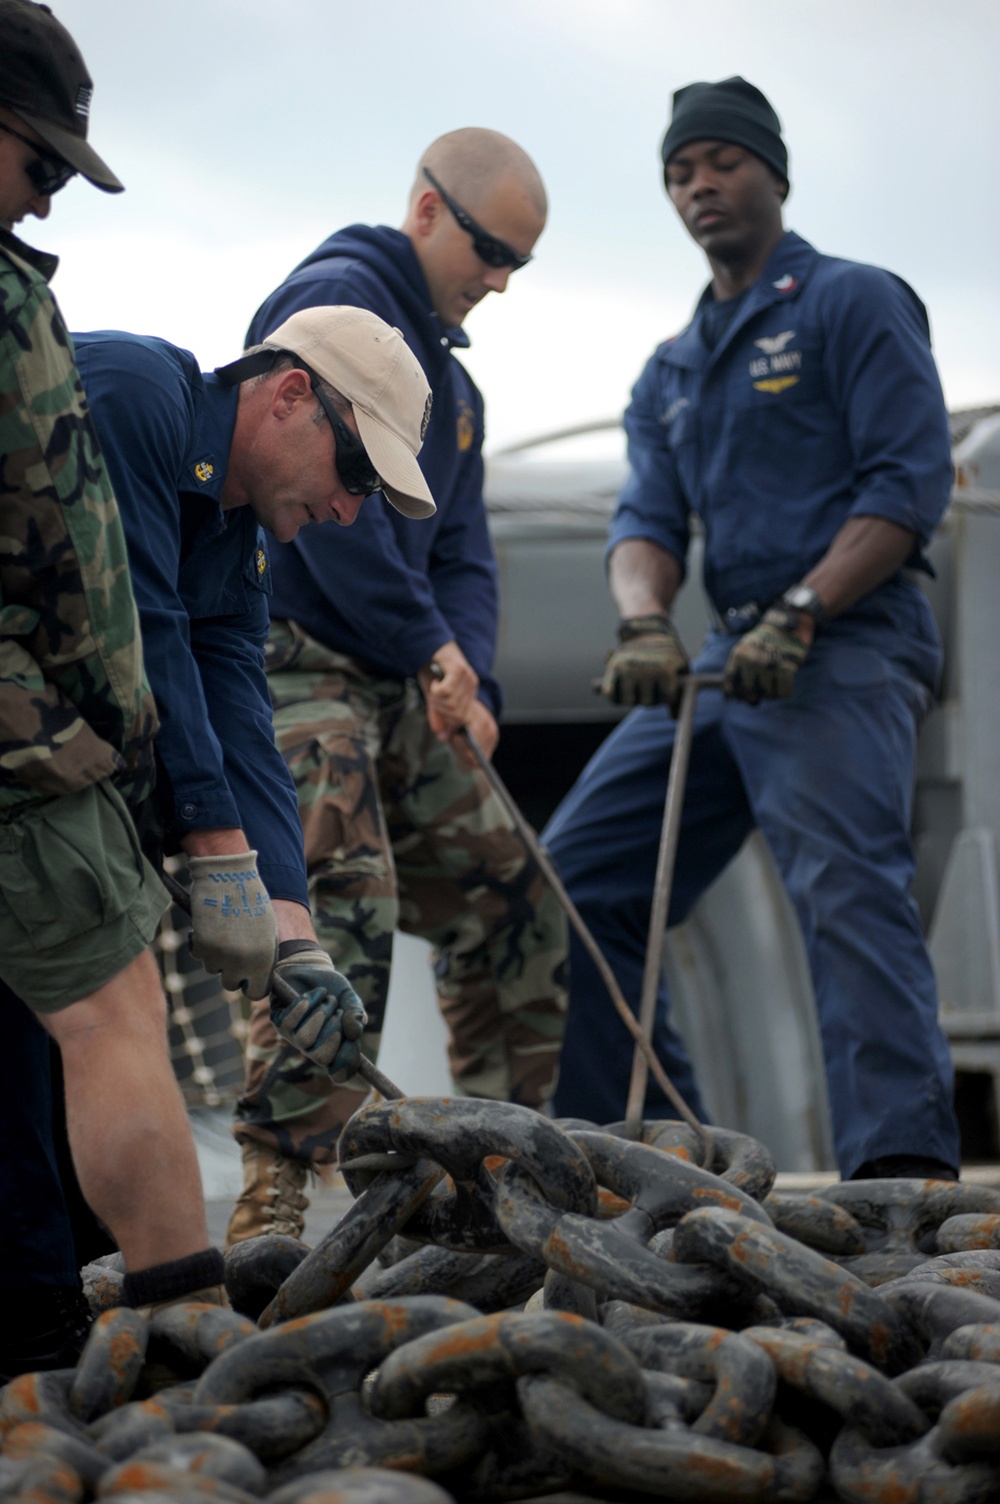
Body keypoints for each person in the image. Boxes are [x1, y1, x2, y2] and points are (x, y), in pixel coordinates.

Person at [543, 76, 962, 1182]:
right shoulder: (671, 368)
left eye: (723, 162)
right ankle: (642, 1150)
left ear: (774, 174)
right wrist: (643, 620)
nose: (700, 186)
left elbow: (908, 485)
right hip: (731, 657)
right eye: (680, 172)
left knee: (845, 889)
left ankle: (900, 1176)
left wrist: (805, 609)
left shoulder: (851, 303)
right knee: (574, 878)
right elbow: (644, 520)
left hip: (846, 640)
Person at [225, 128, 568, 1244]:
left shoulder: (452, 390)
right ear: (426, 210)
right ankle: (277, 1187)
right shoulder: (334, 306)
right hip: (297, 655)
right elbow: (333, 521)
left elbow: (462, 549)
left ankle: (511, 1165)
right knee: (342, 888)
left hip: (400, 669)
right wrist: (431, 645)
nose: (501, 280)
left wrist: (471, 672)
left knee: (513, 891)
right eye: (491, 250)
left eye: (519, 262)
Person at [0, 0, 222, 1375]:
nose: (47, 194)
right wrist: (75, 719)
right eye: (39, 160)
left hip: (42, 726)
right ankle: (189, 1343)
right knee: (111, 1008)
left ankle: (29, 1321)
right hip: (26, 742)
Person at [72, 308, 436, 1144]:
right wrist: (218, 849)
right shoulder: (134, 393)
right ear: (290, 394)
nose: (349, 511)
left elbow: (242, 720)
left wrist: (295, 932)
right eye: (356, 470)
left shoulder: (238, 543)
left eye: (369, 493)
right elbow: (143, 629)